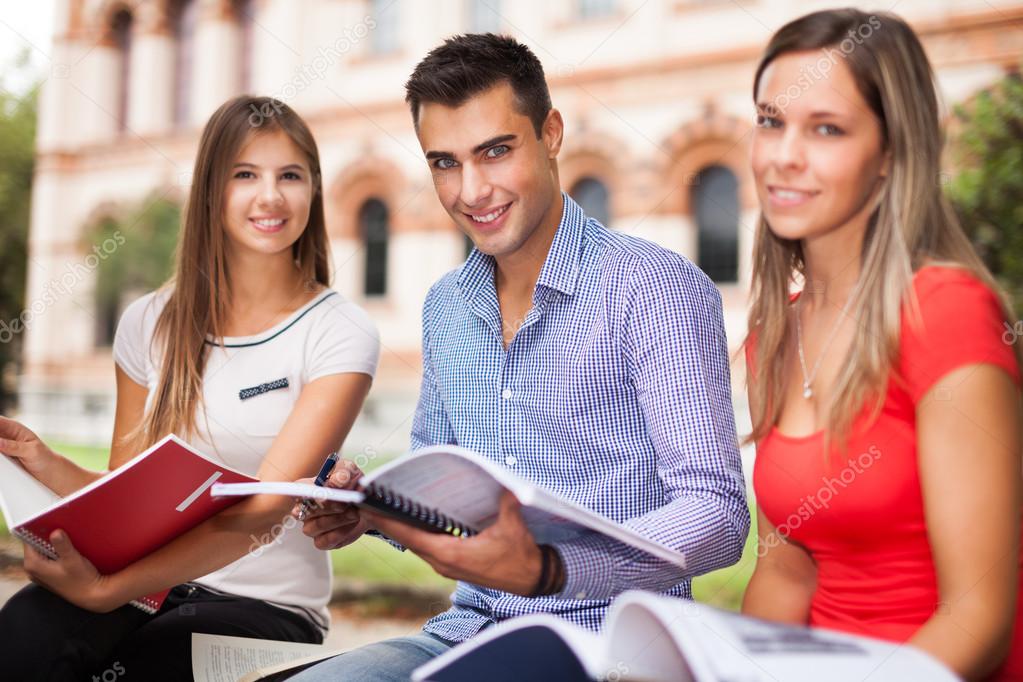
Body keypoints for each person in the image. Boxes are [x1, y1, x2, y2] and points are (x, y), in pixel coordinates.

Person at [294, 33, 749, 681]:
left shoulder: (652, 288)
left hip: (612, 643)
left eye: (495, 152)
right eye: (444, 163)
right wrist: (371, 508)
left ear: (551, 133)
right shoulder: (444, 305)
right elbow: (442, 489)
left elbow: (716, 512)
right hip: (468, 629)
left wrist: (550, 571)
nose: (471, 190)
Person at [0, 95, 380, 681]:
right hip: (148, 587)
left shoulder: (339, 331)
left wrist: (106, 592)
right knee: (23, 634)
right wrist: (43, 463)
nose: (271, 196)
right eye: (245, 174)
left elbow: (260, 512)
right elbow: (123, 507)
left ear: (314, 191)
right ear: (211, 190)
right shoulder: (148, 321)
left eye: (291, 176)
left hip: (264, 608)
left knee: (147, 667)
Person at [739, 9, 1022, 680]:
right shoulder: (772, 337)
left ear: (891, 153)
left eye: (826, 129)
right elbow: (783, 573)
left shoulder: (945, 315)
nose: (783, 154)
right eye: (770, 120)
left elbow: (978, 616)